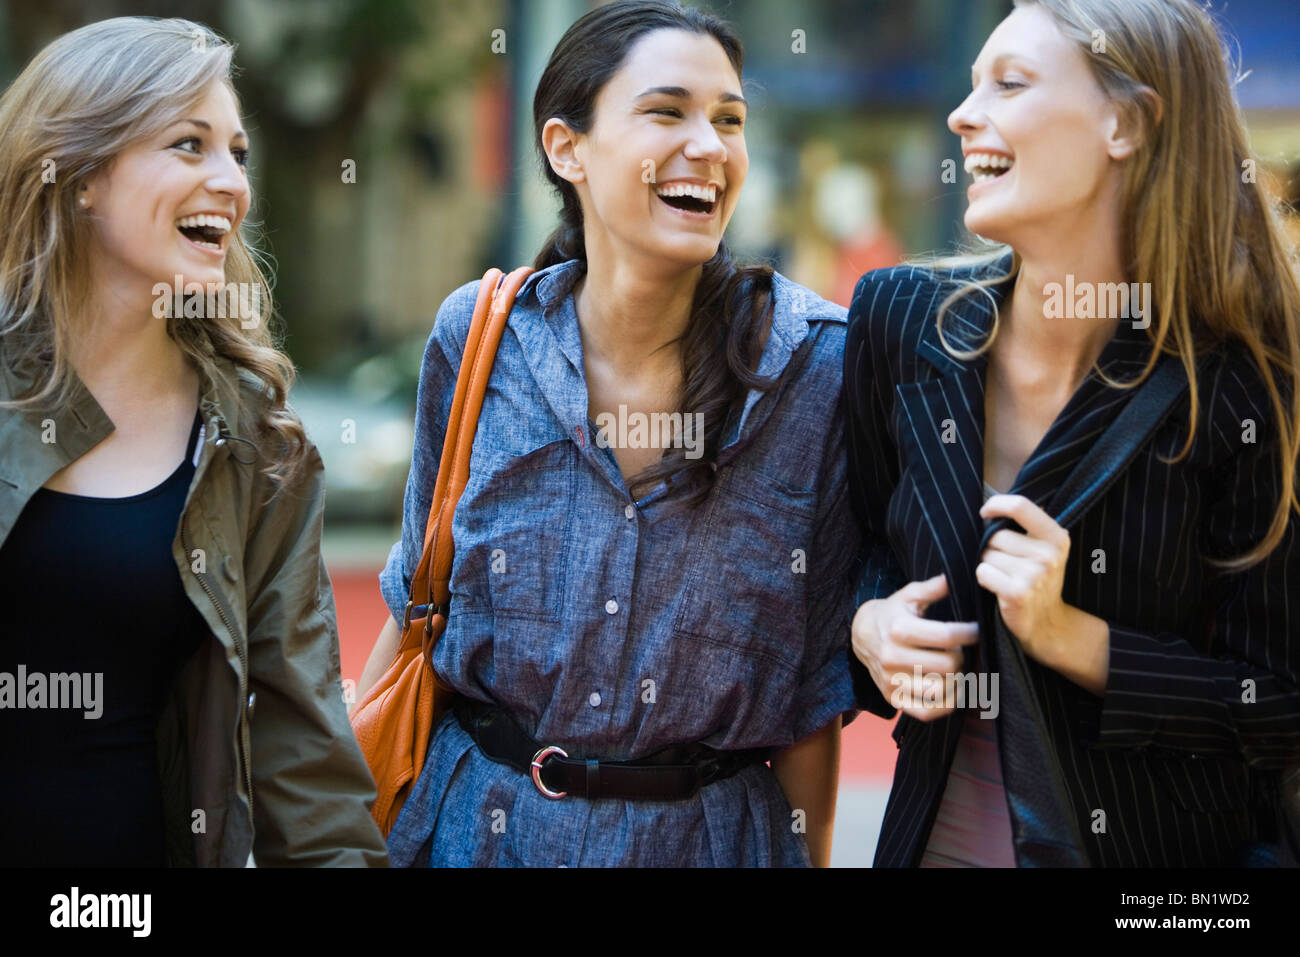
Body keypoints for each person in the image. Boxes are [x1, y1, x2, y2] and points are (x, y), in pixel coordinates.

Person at [359, 0, 859, 867]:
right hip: (475, 835)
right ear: (568, 149)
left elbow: (813, 691)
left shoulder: (816, 367)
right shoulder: (481, 339)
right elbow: (416, 609)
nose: (709, 144)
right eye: (667, 111)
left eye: (730, 120)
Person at [845, 0, 1300, 867]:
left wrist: (1073, 638)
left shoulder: (1247, 376)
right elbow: (841, 560)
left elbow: (1280, 702)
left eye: (1009, 84)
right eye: (972, 82)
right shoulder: (896, 319)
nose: (962, 113)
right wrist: (869, 625)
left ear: (1125, 122)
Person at [0, 17, 388, 866]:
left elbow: (305, 753)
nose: (232, 183)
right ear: (79, 176)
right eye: (189, 144)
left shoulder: (256, 441)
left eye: (238, 153)